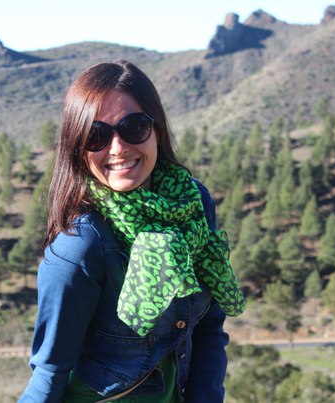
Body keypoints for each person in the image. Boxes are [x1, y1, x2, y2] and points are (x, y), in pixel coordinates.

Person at [19, 60, 245, 402]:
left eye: (134, 127)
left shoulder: (192, 205)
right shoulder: (81, 243)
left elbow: (208, 330)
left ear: (157, 130)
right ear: (77, 147)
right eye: (96, 135)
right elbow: (50, 371)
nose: (118, 148)